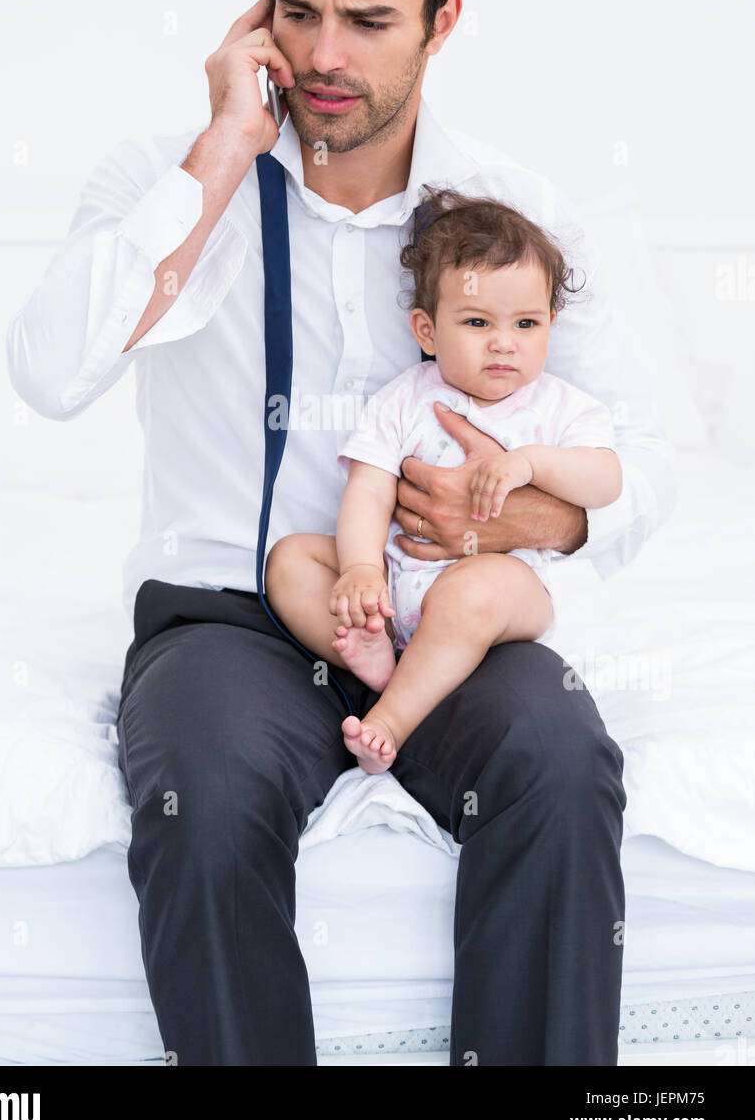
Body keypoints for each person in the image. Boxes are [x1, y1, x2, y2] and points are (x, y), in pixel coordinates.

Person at [6, 0, 676, 1066]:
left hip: (439, 619)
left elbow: (651, 452)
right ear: (258, 10)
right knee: (199, 800)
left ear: (442, 20)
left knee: (561, 758)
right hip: (227, 619)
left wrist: (537, 520)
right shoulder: (166, 183)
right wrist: (218, 152)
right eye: (298, 12)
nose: (324, 56)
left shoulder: (508, 215)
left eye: (368, 21)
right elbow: (50, 375)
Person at [265, 191, 623, 774]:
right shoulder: (406, 396)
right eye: (477, 322)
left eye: (526, 323)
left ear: (550, 326)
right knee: (290, 560)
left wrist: (530, 463)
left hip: (501, 591)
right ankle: (376, 654)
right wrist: (360, 569)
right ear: (427, 331)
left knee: (473, 590)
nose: (504, 341)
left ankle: (392, 717)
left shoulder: (559, 408)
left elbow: (606, 481)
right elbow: (369, 488)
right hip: (397, 581)